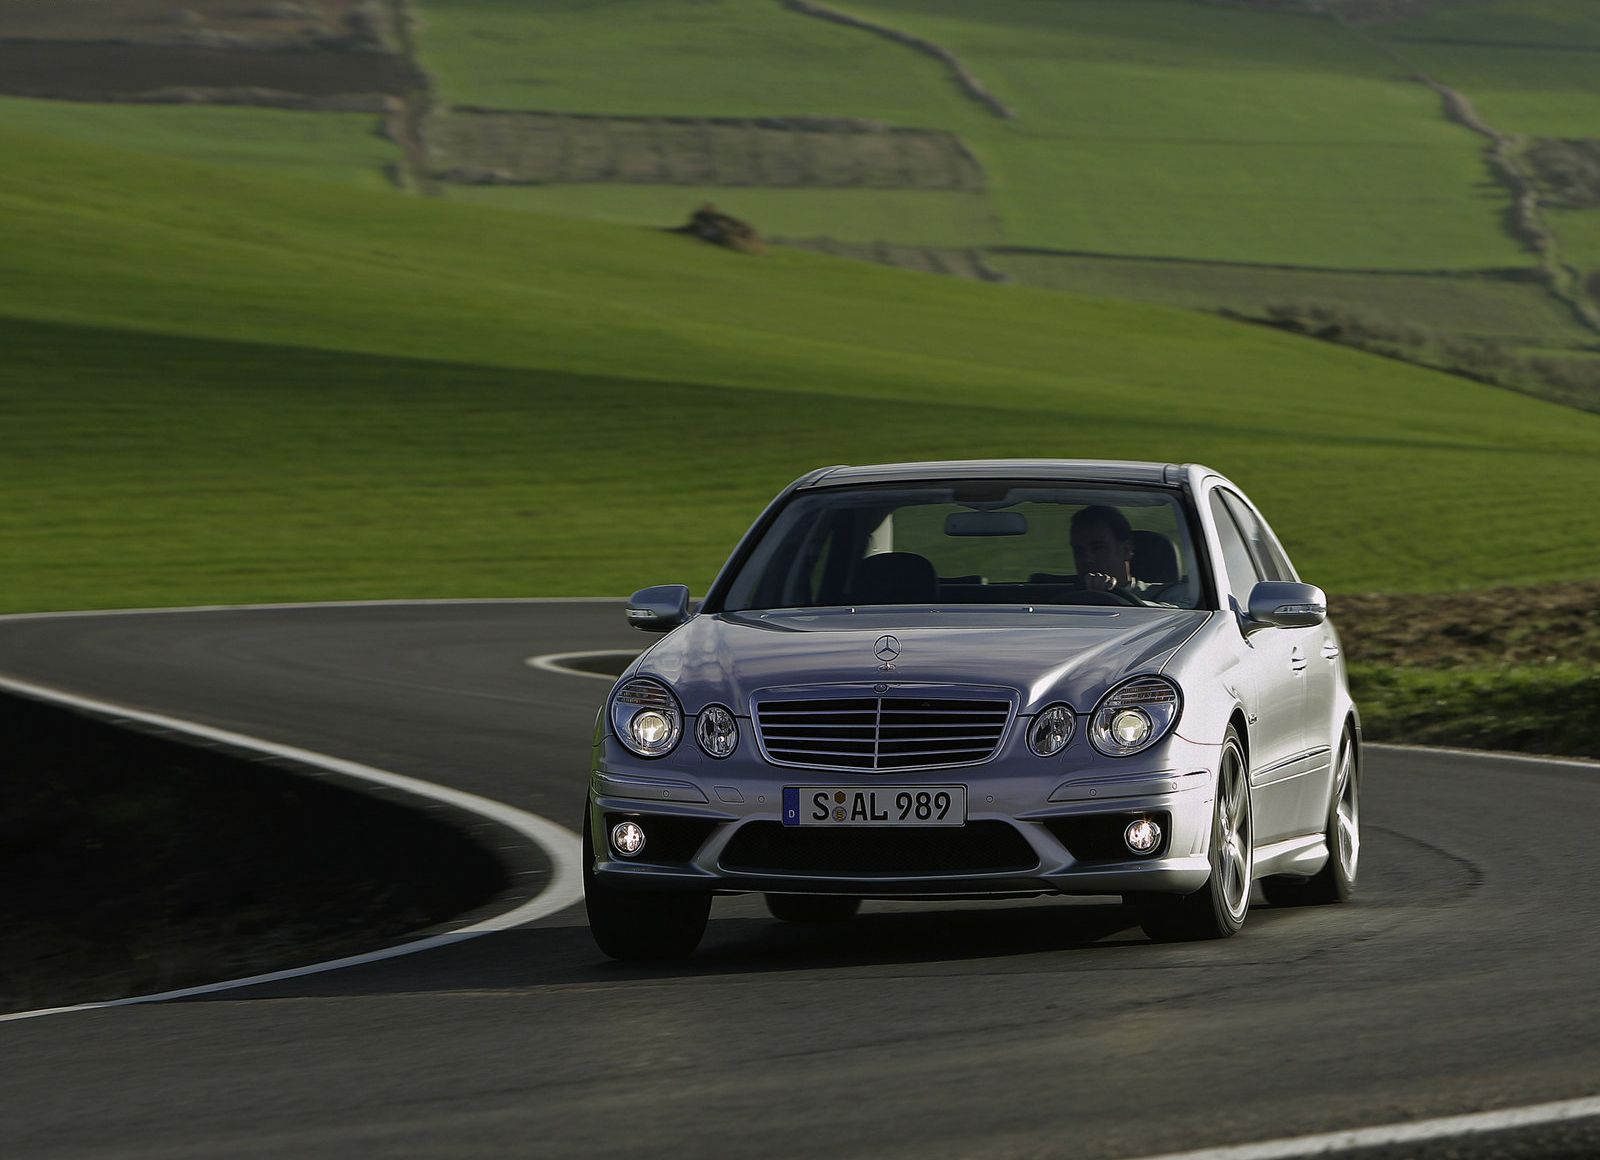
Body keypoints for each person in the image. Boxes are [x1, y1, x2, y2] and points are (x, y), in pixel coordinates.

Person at [1069, 505, 1167, 603]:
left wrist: (1110, 596)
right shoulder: (1062, 598)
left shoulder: (1163, 594)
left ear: (1126, 550)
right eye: (1079, 551)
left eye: (1098, 548)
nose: (1087, 559)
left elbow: (1171, 612)